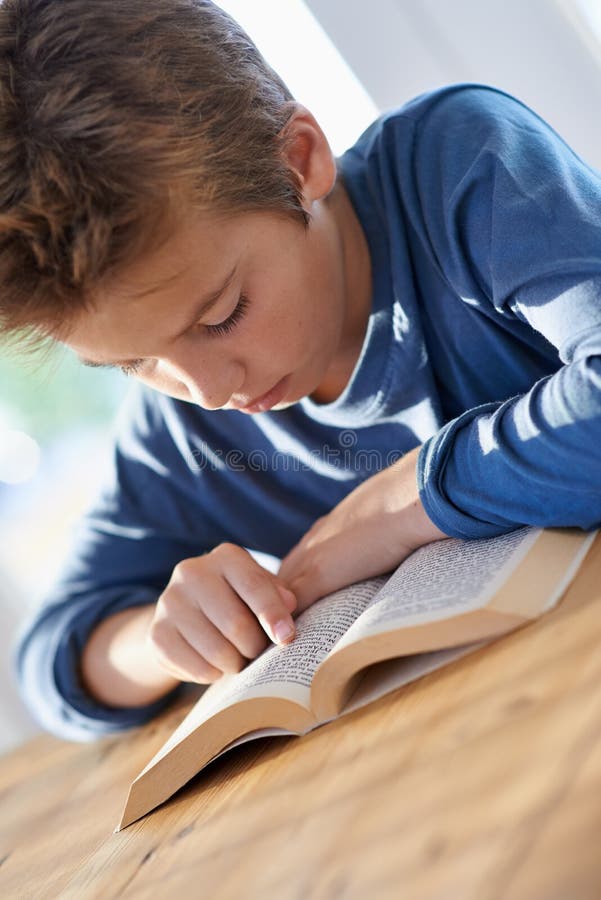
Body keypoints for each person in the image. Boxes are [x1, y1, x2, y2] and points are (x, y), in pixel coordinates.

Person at [5, 0, 601, 742]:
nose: (210, 391)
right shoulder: (186, 426)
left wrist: (404, 503)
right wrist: (163, 637)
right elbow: (51, 658)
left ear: (299, 161)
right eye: (132, 362)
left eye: (221, 315)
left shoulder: (455, 164)